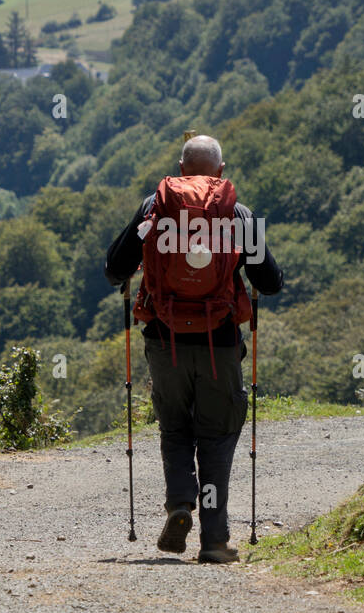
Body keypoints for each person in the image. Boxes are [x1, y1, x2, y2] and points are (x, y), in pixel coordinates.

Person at [104, 135, 283, 564]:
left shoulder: (154, 207)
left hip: (164, 342)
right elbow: (272, 282)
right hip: (220, 343)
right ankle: (215, 539)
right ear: (220, 172)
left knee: (175, 427)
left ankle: (181, 503)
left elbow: (114, 269)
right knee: (217, 436)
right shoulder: (239, 214)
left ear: (181, 169)